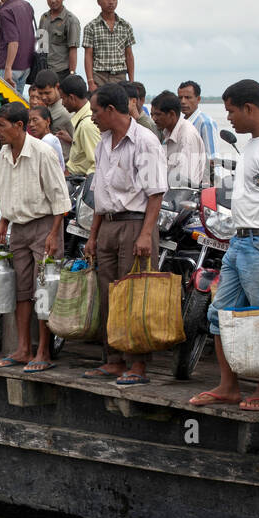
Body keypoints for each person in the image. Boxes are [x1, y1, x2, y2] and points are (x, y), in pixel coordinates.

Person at [189, 80, 259, 412]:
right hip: (241, 242)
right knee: (219, 314)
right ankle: (228, 386)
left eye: (231, 110)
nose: (229, 118)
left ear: (249, 108)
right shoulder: (252, 144)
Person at [82, 83, 166, 386]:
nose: (92, 117)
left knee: (135, 295)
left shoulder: (146, 141)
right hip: (108, 224)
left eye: (95, 111)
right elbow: (99, 194)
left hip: (136, 223)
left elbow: (155, 194)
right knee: (108, 296)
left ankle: (138, 365)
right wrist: (92, 235)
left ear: (111, 110)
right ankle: (113, 360)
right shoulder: (103, 142)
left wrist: (146, 235)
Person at [0, 103, 71, 373]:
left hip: (45, 225)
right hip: (19, 227)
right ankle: (24, 348)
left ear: (19, 126)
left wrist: (53, 234)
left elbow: (60, 198)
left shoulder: (42, 152)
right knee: (21, 291)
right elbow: (4, 190)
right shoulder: (3, 154)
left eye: (1, 125)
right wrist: (3, 221)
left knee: (45, 290)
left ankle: (43, 351)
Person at [82, 0, 135, 91]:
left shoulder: (125, 26)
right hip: (99, 76)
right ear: (99, 1)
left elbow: (129, 55)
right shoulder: (91, 26)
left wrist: (131, 81)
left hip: (120, 76)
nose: (111, 2)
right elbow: (88, 55)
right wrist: (90, 82)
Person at [151, 90, 206, 188]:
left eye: (158, 115)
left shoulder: (186, 137)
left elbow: (184, 181)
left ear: (172, 114)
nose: (154, 119)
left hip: (182, 198)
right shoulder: (168, 132)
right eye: (152, 115)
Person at [0, 0, 36, 95]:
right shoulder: (27, 6)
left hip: (11, 67)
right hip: (26, 65)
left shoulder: (5, 12)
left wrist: (8, 69)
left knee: (7, 106)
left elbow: (13, 41)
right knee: (19, 105)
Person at [39, 0, 81, 79]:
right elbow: (41, 46)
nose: (53, 0)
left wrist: (71, 74)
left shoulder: (71, 20)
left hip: (62, 72)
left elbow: (73, 49)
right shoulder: (43, 18)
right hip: (43, 70)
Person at [61, 74, 100, 176]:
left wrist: (84, 190)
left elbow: (96, 163)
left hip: (78, 180)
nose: (62, 103)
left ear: (71, 98)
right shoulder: (84, 118)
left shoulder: (87, 125)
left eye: (63, 99)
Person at [30, 69, 73, 149]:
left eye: (47, 93)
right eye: (40, 93)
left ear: (57, 87)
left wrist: (71, 141)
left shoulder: (66, 112)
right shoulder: (47, 107)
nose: (43, 97)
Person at [177, 80, 219, 158]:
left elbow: (213, 157)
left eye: (188, 98)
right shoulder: (181, 123)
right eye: (180, 98)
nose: (183, 101)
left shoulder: (205, 123)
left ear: (198, 99)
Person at [28, 105, 65, 170]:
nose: (31, 124)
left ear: (47, 121)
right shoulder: (49, 139)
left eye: (35, 120)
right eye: (29, 121)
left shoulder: (48, 140)